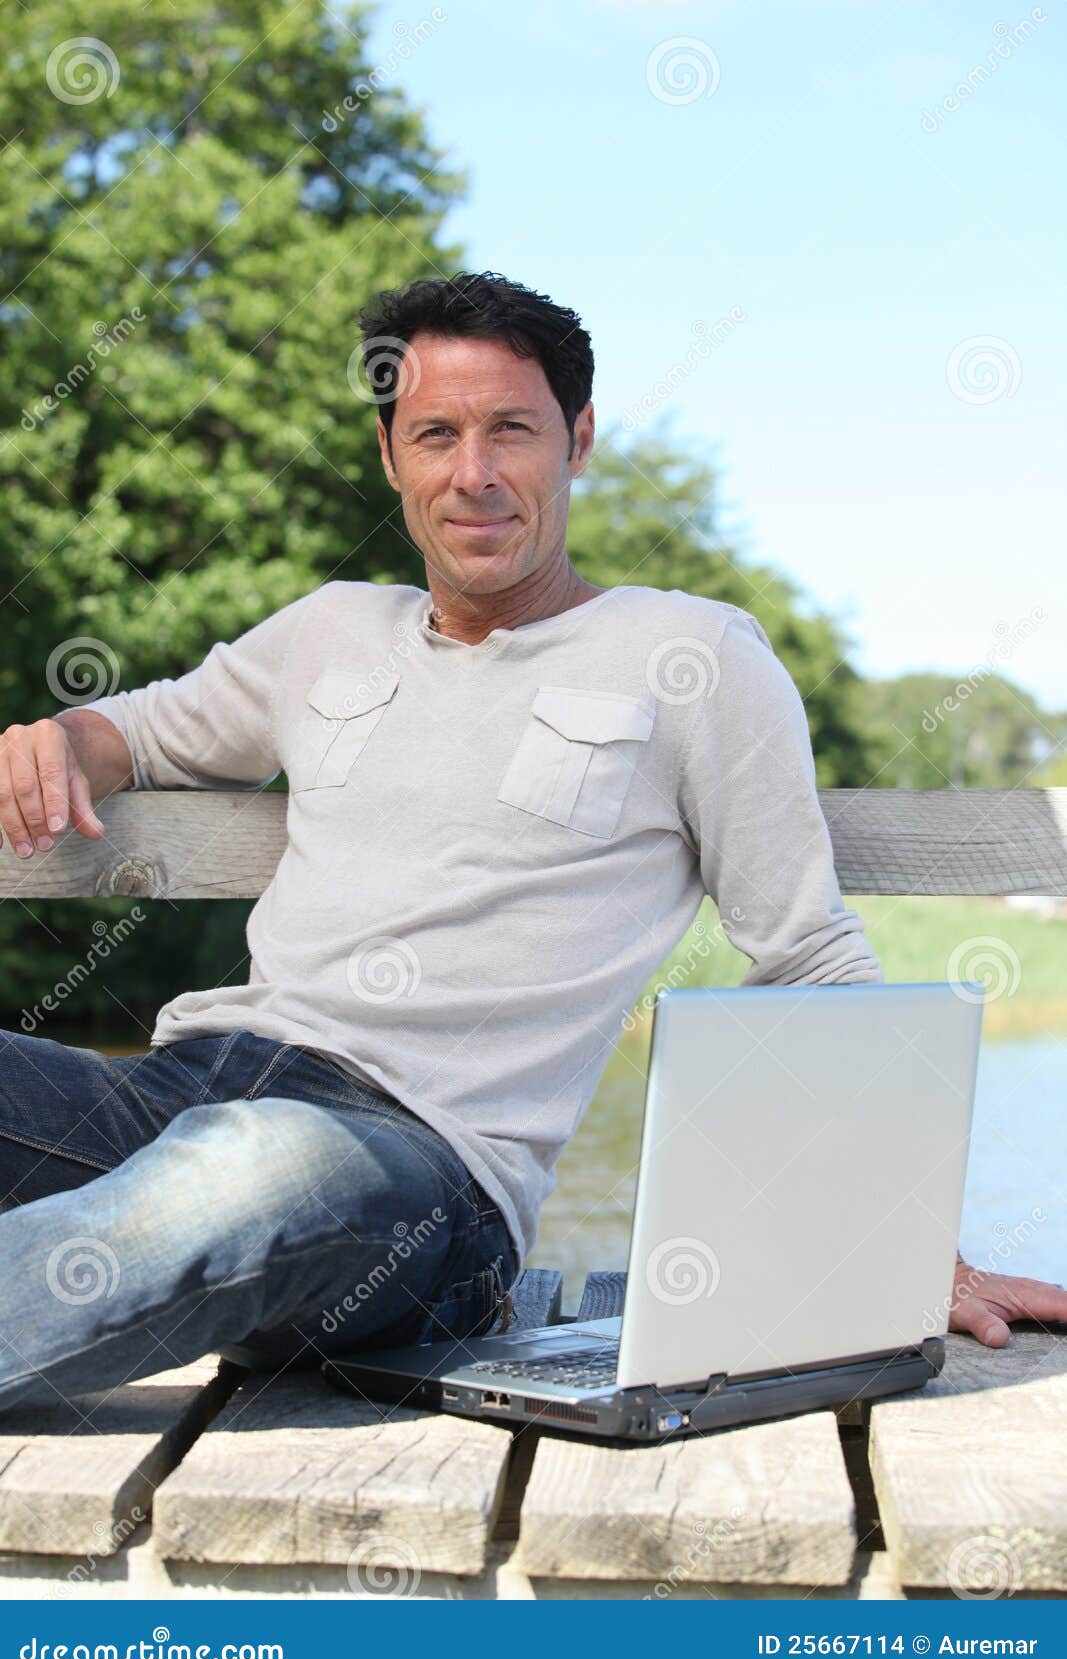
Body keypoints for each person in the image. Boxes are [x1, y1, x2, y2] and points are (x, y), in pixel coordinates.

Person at [0, 272, 1062, 1415]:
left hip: (420, 1178)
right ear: (389, 453)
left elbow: (805, 956)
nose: (474, 473)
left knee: (262, 1170)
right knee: (221, 1158)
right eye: (436, 435)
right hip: (185, 1097)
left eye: (512, 430)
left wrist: (907, 1251)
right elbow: (142, 728)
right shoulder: (325, 631)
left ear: (578, 440)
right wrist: (57, 739)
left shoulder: (692, 654)